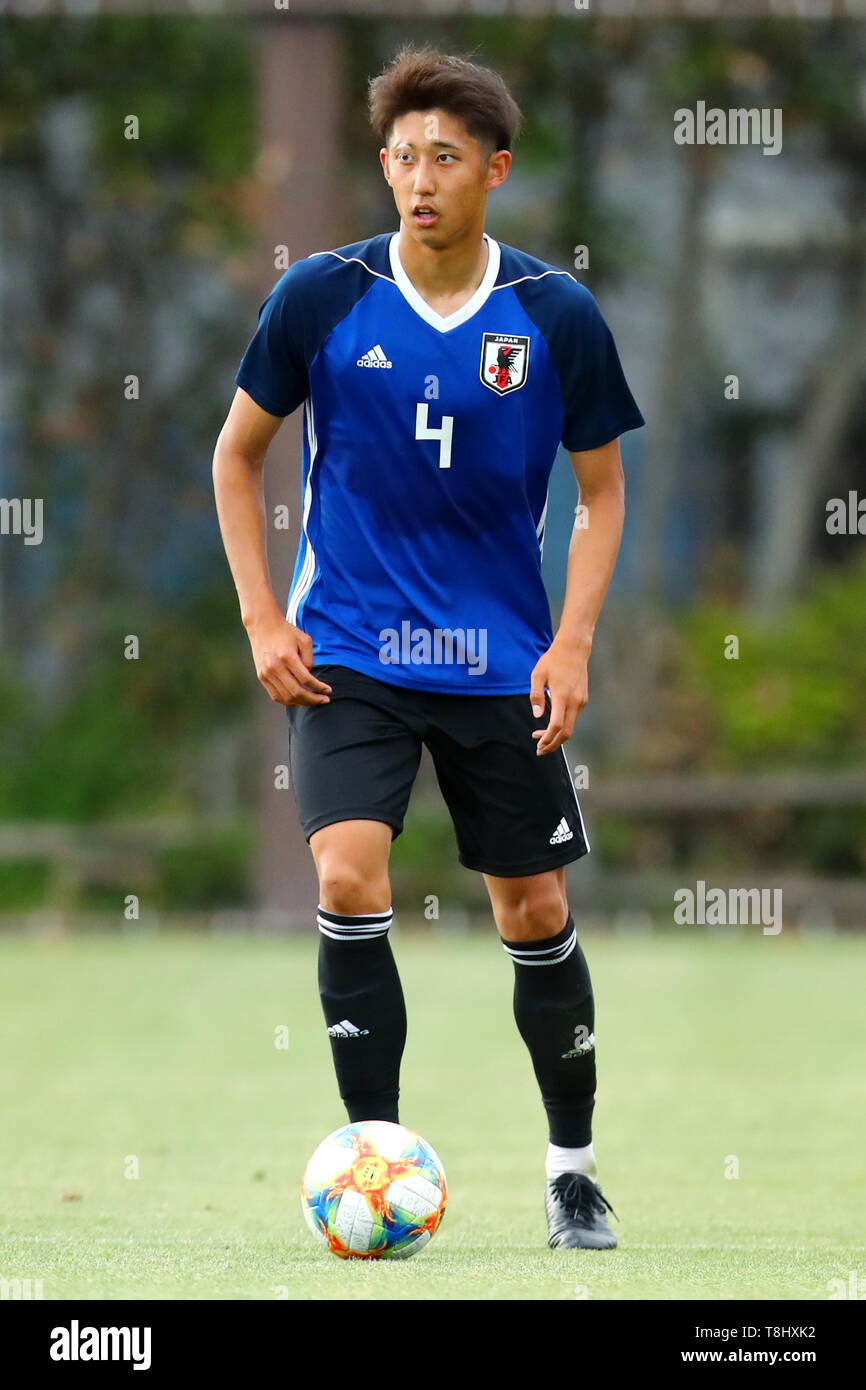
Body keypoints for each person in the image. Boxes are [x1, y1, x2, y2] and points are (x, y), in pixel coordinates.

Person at [213, 45, 645, 1250]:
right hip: (348, 648)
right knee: (348, 876)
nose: (418, 178)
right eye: (401, 156)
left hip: (500, 661)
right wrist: (261, 615)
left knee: (531, 904)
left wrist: (570, 643)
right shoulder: (324, 295)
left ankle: (570, 1173)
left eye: (444, 158)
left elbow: (603, 493)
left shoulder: (554, 315)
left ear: (493, 171)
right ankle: (372, 1158)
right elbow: (234, 456)